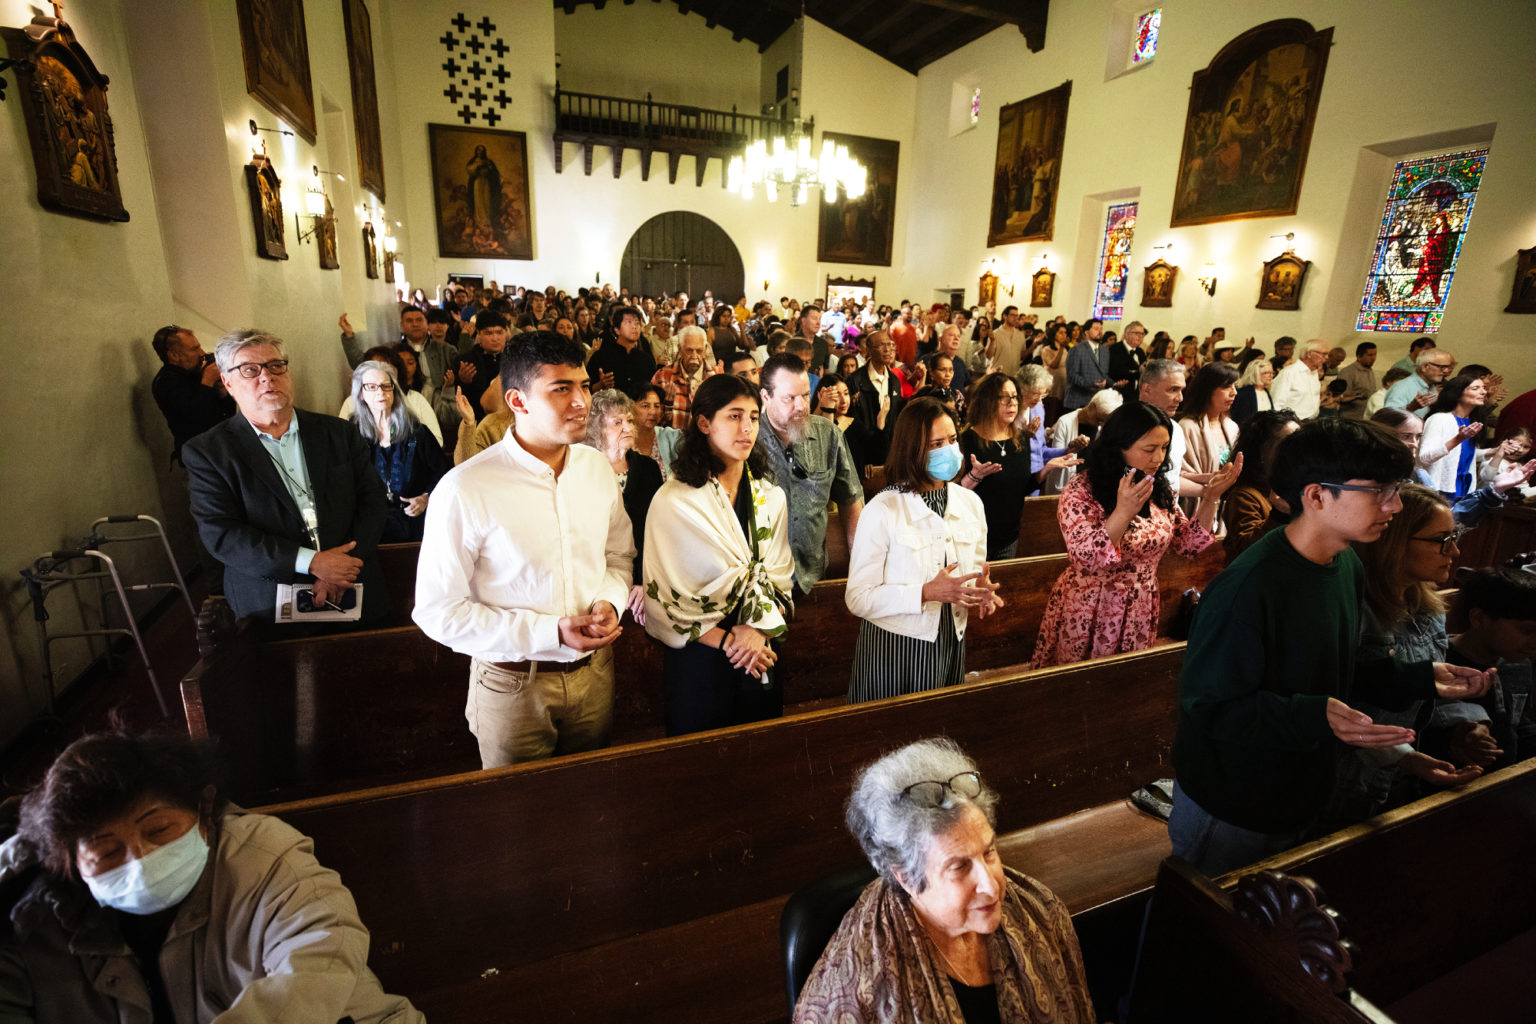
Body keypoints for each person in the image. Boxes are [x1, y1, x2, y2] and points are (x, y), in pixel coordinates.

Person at [1169, 418, 1494, 877]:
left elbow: (1338, 670)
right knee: (1205, 927)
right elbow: (1211, 708)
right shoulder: (1248, 589)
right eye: (1379, 491)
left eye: (1396, 488)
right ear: (1317, 495)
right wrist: (1311, 714)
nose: (1395, 505)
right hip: (1236, 800)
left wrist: (1420, 677)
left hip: (1302, 786)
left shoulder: (1344, 565)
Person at [2, 729, 424, 1023]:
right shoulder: (30, 922)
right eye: (107, 851)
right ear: (68, 861)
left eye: (159, 830)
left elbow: (320, 953)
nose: (141, 861)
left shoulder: (263, 856)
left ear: (204, 813)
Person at [414, 330, 633, 768]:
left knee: (591, 800)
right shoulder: (466, 488)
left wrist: (609, 599)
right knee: (516, 820)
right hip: (515, 683)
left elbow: (617, 556)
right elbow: (437, 611)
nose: (581, 402)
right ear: (517, 401)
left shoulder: (594, 468)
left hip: (593, 674)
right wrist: (548, 632)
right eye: (561, 388)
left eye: (584, 385)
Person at [793, 738, 1096, 1023]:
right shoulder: (855, 995)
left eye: (988, 852)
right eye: (959, 867)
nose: (992, 886)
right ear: (907, 879)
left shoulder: (1041, 912)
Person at [183, 330, 388, 623]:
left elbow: (373, 502)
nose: (267, 377)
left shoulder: (338, 433)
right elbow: (223, 533)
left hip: (352, 583)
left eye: (275, 366)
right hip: (270, 601)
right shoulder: (208, 452)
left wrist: (342, 567)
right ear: (227, 383)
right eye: (249, 370)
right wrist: (314, 563)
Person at [1320, 485, 1486, 827]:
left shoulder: (1426, 608)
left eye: (1454, 537)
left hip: (1392, 774)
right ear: (1394, 541)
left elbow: (1426, 688)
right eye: (1441, 539)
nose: (1454, 551)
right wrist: (1405, 758)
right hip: (1338, 779)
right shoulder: (1357, 612)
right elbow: (1348, 705)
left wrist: (1462, 725)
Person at [1031, 402, 1237, 669]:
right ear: (1119, 447)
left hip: (1140, 603)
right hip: (1092, 605)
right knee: (1082, 687)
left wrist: (1210, 498)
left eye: (1164, 448)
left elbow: (1188, 545)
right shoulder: (1082, 490)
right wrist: (1123, 512)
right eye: (1149, 449)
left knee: (1126, 687)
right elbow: (1087, 560)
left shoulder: (1156, 487)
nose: (1159, 458)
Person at [643, 373, 793, 736]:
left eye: (754, 417)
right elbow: (663, 597)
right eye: (734, 416)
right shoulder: (675, 502)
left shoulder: (769, 499)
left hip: (759, 649)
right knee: (700, 769)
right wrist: (730, 640)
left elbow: (779, 578)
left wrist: (755, 635)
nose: (747, 428)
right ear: (704, 423)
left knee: (760, 758)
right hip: (701, 655)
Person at [845, 399, 1002, 703]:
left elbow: (973, 571)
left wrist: (979, 590)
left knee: (938, 732)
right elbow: (857, 598)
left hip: (950, 640)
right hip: (896, 648)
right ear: (912, 449)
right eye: (936, 444)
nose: (949, 450)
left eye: (953, 440)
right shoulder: (883, 508)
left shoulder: (969, 503)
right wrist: (926, 592)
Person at [755, 353, 863, 595]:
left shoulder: (827, 434)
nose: (801, 405)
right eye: (789, 398)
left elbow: (850, 499)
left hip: (813, 575)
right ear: (766, 397)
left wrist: (861, 564)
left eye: (805, 395)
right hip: (761, 583)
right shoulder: (748, 441)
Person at [582, 388, 663, 624]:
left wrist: (644, 581)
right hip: (592, 583)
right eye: (617, 422)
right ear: (597, 428)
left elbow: (655, 532)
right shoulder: (582, 468)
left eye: (629, 420)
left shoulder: (647, 468)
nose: (628, 427)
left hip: (639, 579)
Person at [347, 361, 449, 542]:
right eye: (371, 387)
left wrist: (426, 497)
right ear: (360, 394)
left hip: (415, 526)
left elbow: (445, 475)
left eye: (386, 386)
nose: (380, 392)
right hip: (371, 528)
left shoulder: (417, 432)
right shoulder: (351, 435)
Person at [1447, 568, 1536, 768]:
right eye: (1528, 630)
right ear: (1479, 619)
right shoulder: (1442, 666)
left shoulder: (1518, 663)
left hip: (1503, 784)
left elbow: (1518, 727)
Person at [150, 324, 235, 465]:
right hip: (199, 460)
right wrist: (207, 380)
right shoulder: (165, 383)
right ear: (174, 355)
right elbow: (195, 419)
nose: (202, 353)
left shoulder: (195, 374)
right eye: (194, 349)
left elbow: (227, 415)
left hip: (222, 452)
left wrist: (223, 393)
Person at [1220, 410, 1299, 560]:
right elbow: (1248, 550)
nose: (1297, 452)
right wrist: (1279, 515)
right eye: (1288, 444)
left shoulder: (1297, 488)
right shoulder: (1244, 496)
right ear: (1262, 452)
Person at [337, 346, 444, 446]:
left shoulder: (416, 398)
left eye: (387, 368)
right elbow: (341, 444)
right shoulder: (351, 403)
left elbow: (437, 441)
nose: (380, 372)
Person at [1177, 362, 1241, 523]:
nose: (1234, 392)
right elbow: (1177, 473)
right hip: (1196, 503)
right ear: (1208, 389)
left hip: (1226, 506)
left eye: (1234, 386)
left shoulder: (1231, 426)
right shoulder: (1187, 427)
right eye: (1227, 387)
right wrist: (1209, 480)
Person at [1042, 388, 1122, 494]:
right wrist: (1069, 449)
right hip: (1063, 487)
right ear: (1091, 407)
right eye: (1099, 419)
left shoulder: (1102, 427)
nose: (1101, 424)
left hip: (1087, 488)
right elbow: (1055, 459)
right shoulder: (1065, 422)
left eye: (1104, 421)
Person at [1419, 373, 1487, 498]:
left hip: (1463, 485)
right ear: (1458, 393)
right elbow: (1424, 457)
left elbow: (1463, 454)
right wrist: (1457, 439)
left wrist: (1496, 450)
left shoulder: (1472, 420)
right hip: (1440, 488)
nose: (1483, 392)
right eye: (1475, 388)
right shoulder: (1439, 419)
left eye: (1483, 388)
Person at [847, 331, 904, 470]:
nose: (888, 350)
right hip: (865, 458)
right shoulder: (855, 381)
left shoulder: (894, 380)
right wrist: (863, 458)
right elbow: (852, 422)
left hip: (889, 454)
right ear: (869, 350)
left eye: (890, 345)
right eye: (882, 345)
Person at [651, 324, 715, 429]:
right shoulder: (662, 376)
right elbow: (653, 424)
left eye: (699, 351)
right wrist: (667, 406)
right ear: (680, 349)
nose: (694, 357)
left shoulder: (715, 379)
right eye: (689, 351)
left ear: (705, 349)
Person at [587, 306, 657, 395]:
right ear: (617, 330)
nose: (634, 327)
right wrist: (600, 385)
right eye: (629, 322)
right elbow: (585, 388)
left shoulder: (646, 359)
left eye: (637, 323)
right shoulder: (601, 356)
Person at [629, 381, 682, 479]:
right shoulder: (623, 438)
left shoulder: (668, 436)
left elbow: (693, 443)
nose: (653, 412)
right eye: (645, 406)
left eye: (657, 406)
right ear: (631, 407)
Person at [1384, 347, 1456, 415]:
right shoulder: (1402, 387)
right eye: (1442, 367)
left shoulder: (1432, 387)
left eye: (1448, 367)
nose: (1446, 371)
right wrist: (1410, 408)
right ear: (1424, 367)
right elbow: (1387, 418)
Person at [1269, 338, 1328, 420]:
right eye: (1323, 354)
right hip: (1293, 424)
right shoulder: (1289, 373)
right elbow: (1276, 405)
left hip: (1312, 422)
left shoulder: (1314, 373)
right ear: (1309, 354)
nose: (1327, 357)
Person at [1063, 317, 1110, 410]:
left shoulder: (1105, 351)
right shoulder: (1076, 349)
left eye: (1101, 329)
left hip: (1095, 402)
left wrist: (1112, 383)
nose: (1100, 331)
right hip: (1077, 401)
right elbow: (1072, 376)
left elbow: (1104, 374)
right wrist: (1090, 384)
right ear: (1086, 332)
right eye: (1096, 329)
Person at [1335, 342, 1378, 419]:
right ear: (1359, 356)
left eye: (1375, 354)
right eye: (1370, 355)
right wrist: (1358, 396)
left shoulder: (1370, 371)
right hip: (1350, 418)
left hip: (1365, 417)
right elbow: (1340, 397)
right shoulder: (1347, 372)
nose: (1373, 358)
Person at [1107, 320, 1148, 401]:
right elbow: (1116, 371)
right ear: (1126, 334)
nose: (1140, 336)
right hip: (1119, 394)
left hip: (1137, 395)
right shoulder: (1115, 349)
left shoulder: (1140, 352)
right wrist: (1138, 371)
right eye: (1137, 333)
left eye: (1142, 334)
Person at [1229, 356, 1275, 425]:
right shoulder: (1243, 393)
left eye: (1272, 373)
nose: (1270, 375)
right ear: (1255, 374)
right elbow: (1239, 419)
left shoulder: (1265, 391)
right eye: (1266, 373)